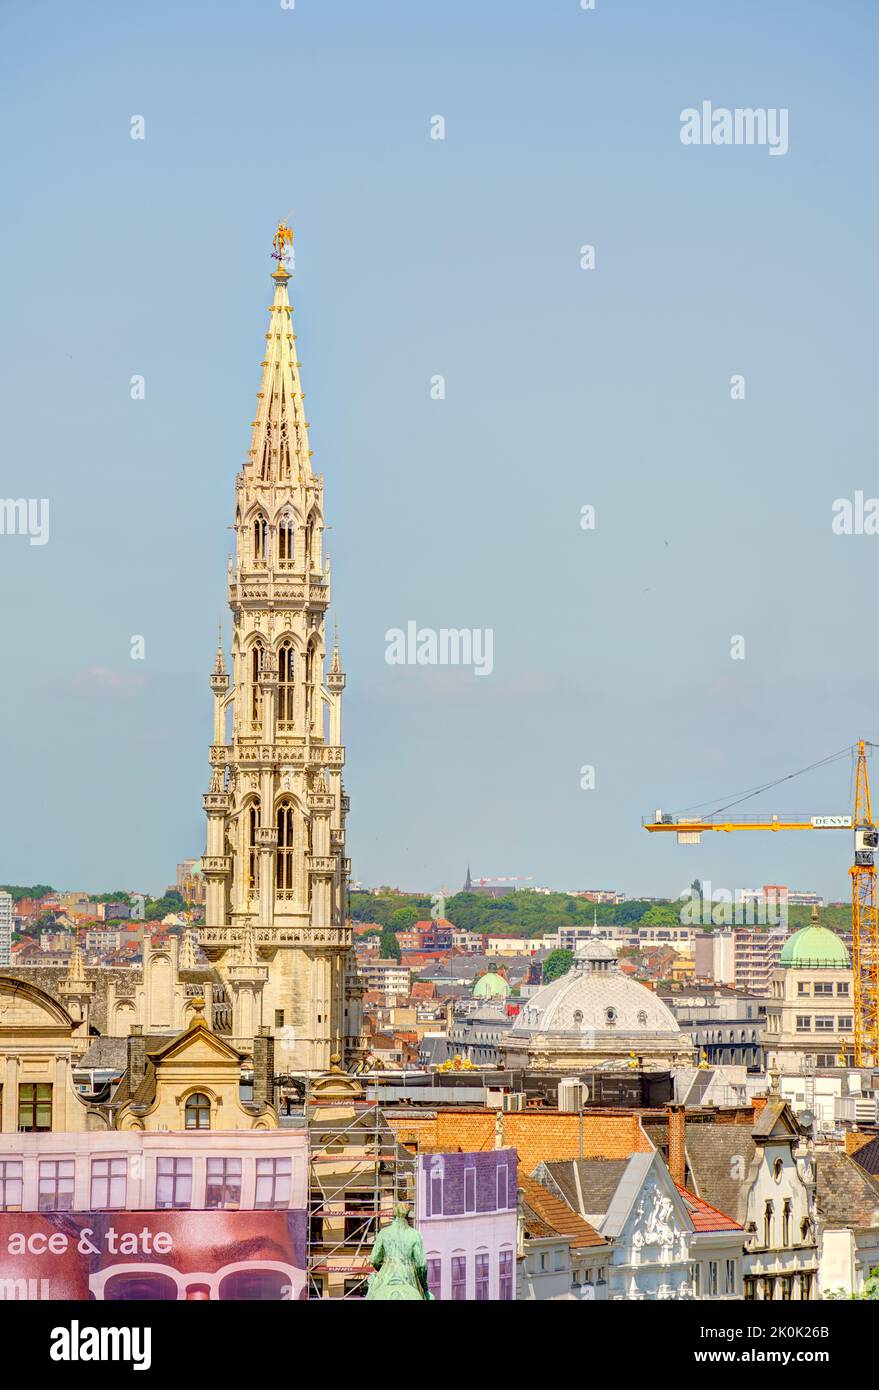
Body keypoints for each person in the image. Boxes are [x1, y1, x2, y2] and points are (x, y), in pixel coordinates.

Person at [365, 1202, 433, 1301]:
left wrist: (383, 1267)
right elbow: (421, 1265)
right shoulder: (415, 1235)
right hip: (408, 1276)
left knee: (370, 1295)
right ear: (408, 1215)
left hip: (386, 1275)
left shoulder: (384, 1233)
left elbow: (374, 1259)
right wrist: (425, 1288)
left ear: (394, 1213)